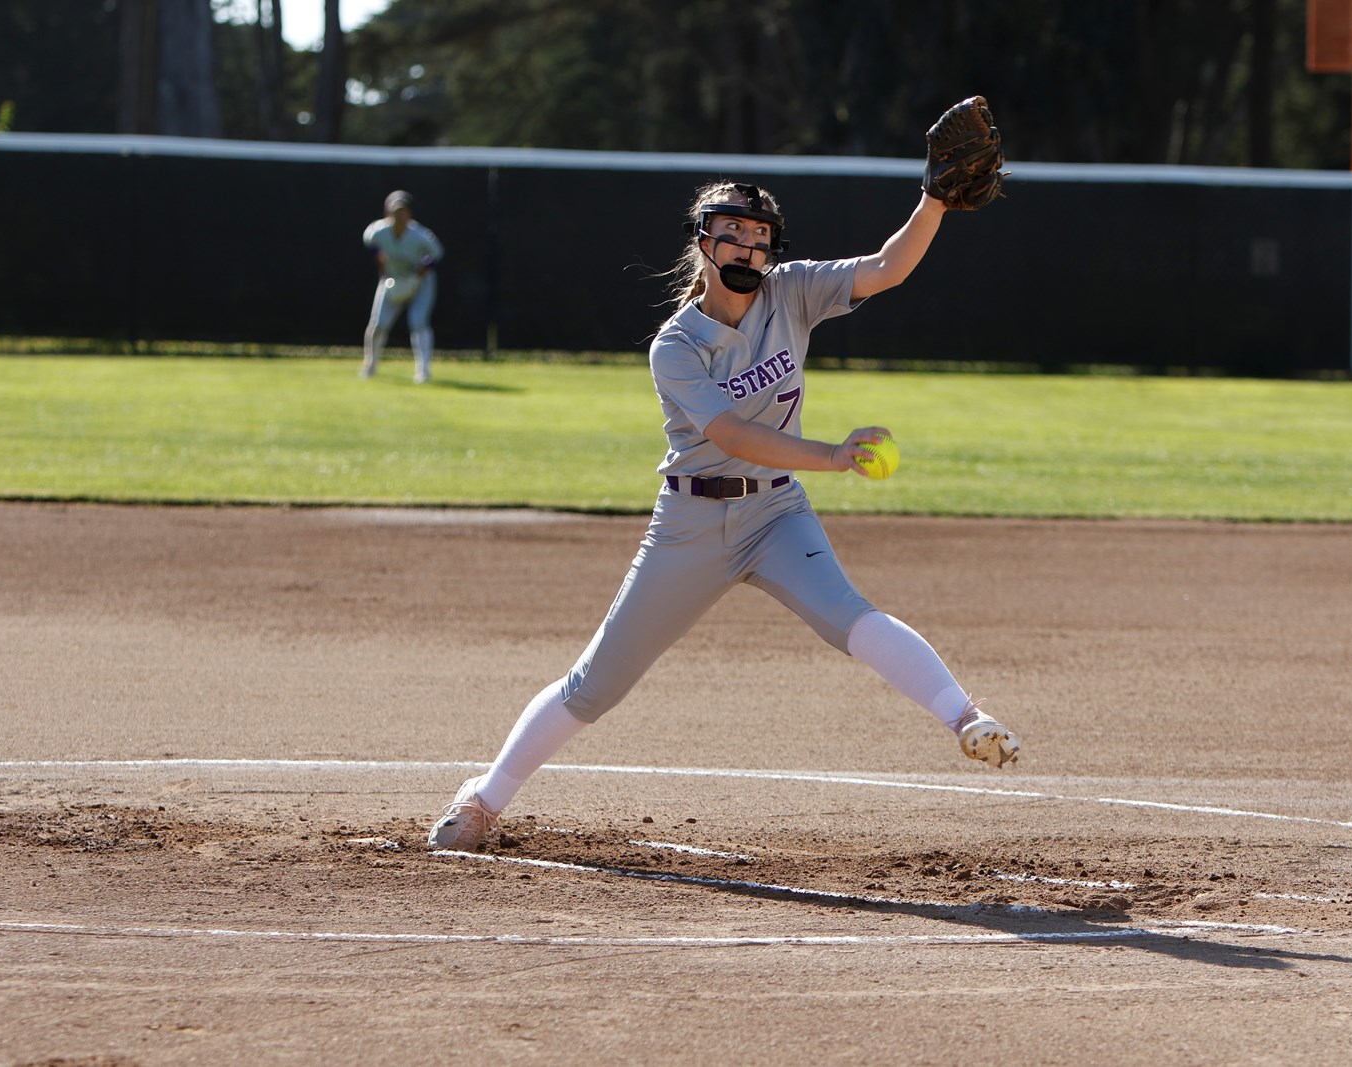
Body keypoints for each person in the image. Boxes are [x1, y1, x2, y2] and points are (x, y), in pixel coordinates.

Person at [428, 174, 1020, 852]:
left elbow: (888, 268)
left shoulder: (791, 292)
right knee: (596, 685)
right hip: (691, 527)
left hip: (776, 514)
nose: (746, 247)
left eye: (759, 236)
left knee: (851, 617)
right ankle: (482, 800)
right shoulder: (676, 345)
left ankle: (968, 719)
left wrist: (934, 200)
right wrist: (833, 454)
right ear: (703, 242)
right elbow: (732, 435)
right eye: (732, 233)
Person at [360, 190, 444, 383]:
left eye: (403, 210)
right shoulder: (379, 230)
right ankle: (370, 364)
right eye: (395, 210)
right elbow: (370, 243)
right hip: (392, 280)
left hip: (419, 283)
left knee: (418, 322)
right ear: (388, 212)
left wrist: (418, 275)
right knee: (378, 323)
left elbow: (436, 255)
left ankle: (423, 371)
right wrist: (381, 264)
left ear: (409, 213)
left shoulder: (420, 235)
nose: (399, 214)